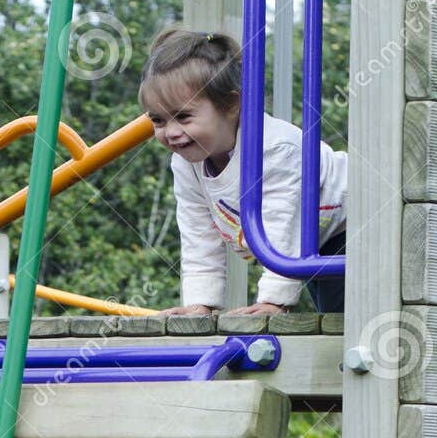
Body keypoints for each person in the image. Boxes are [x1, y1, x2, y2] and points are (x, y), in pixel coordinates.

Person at [140, 27, 347, 317]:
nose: (171, 132)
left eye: (183, 116)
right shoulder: (187, 162)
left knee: (345, 325)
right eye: (158, 120)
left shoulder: (273, 149)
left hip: (350, 227)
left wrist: (274, 302)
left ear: (230, 105)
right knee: (333, 319)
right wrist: (201, 304)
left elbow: (283, 223)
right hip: (315, 239)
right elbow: (198, 233)